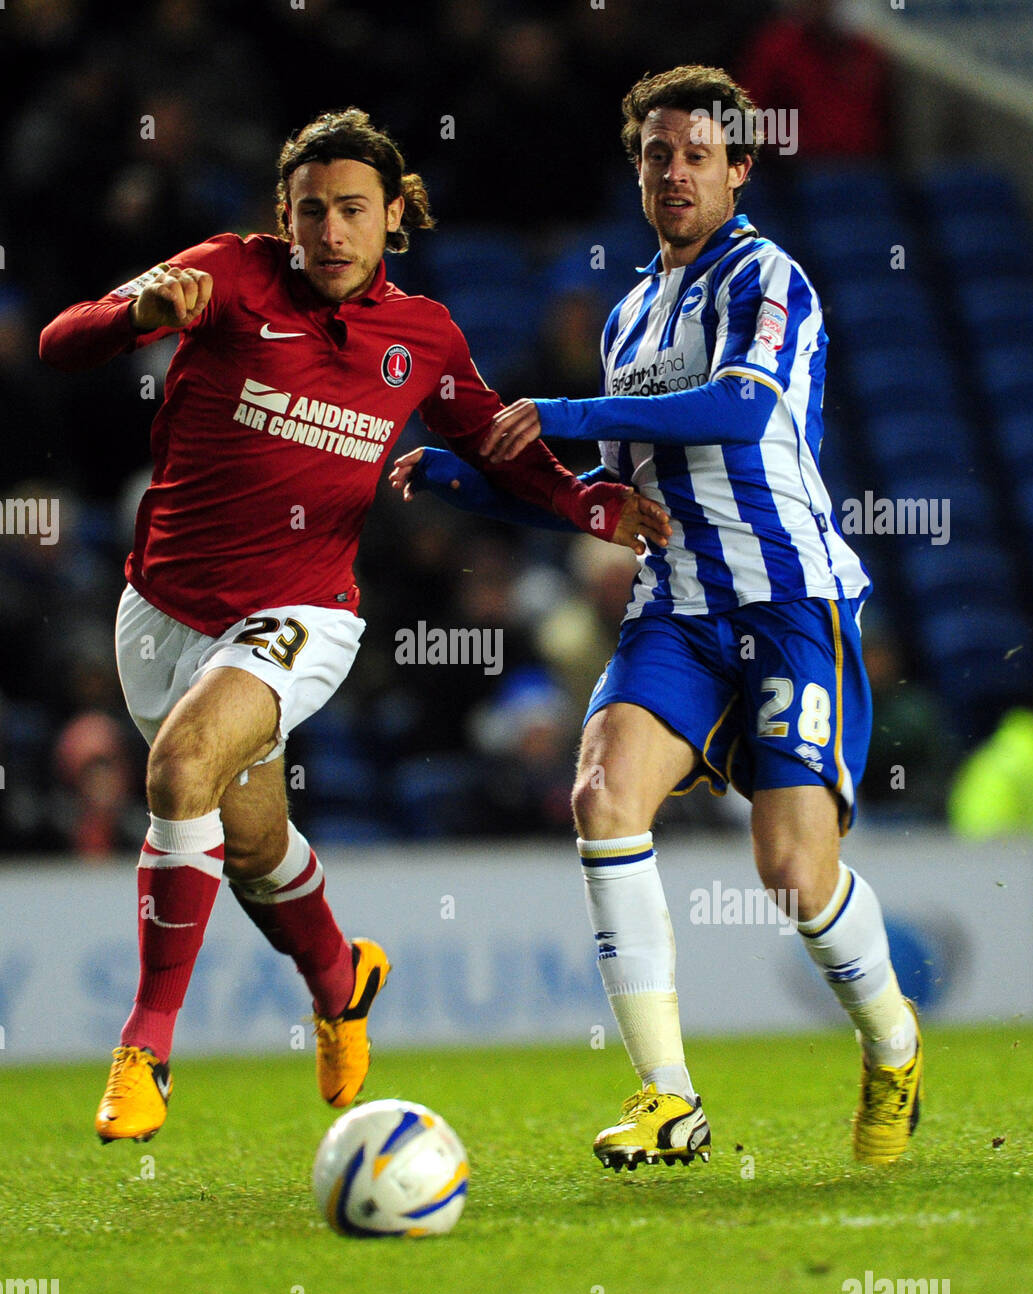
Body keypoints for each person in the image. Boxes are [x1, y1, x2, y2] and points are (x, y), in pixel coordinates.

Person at [39, 107, 663, 1145]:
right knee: (250, 842)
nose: (331, 231)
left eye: (353, 210)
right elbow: (61, 343)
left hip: (300, 612)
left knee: (180, 771)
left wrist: (582, 503)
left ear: (394, 216)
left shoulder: (422, 337)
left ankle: (145, 1048)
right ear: (282, 217)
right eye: (311, 211)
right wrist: (136, 311)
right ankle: (340, 978)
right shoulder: (225, 275)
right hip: (159, 612)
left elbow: (496, 442)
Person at [391, 66, 921, 1168]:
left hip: (784, 597)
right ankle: (668, 1098)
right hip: (674, 605)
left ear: (738, 168)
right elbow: (613, 497)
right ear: (636, 171)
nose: (674, 172)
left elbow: (740, 407)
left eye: (696, 155)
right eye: (655, 155)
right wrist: (468, 484)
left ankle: (891, 1040)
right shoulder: (630, 315)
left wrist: (561, 409)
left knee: (794, 873)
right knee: (600, 791)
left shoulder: (766, 277)